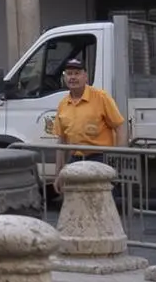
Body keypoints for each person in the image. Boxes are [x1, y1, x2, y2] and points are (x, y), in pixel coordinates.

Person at [48, 57, 126, 192]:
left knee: (100, 201)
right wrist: (58, 174)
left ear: (85, 76)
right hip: (75, 159)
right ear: (65, 78)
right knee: (74, 200)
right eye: (69, 74)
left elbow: (120, 127)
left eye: (77, 73)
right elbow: (61, 142)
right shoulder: (63, 104)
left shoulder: (101, 97)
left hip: (100, 158)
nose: (73, 77)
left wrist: (117, 161)